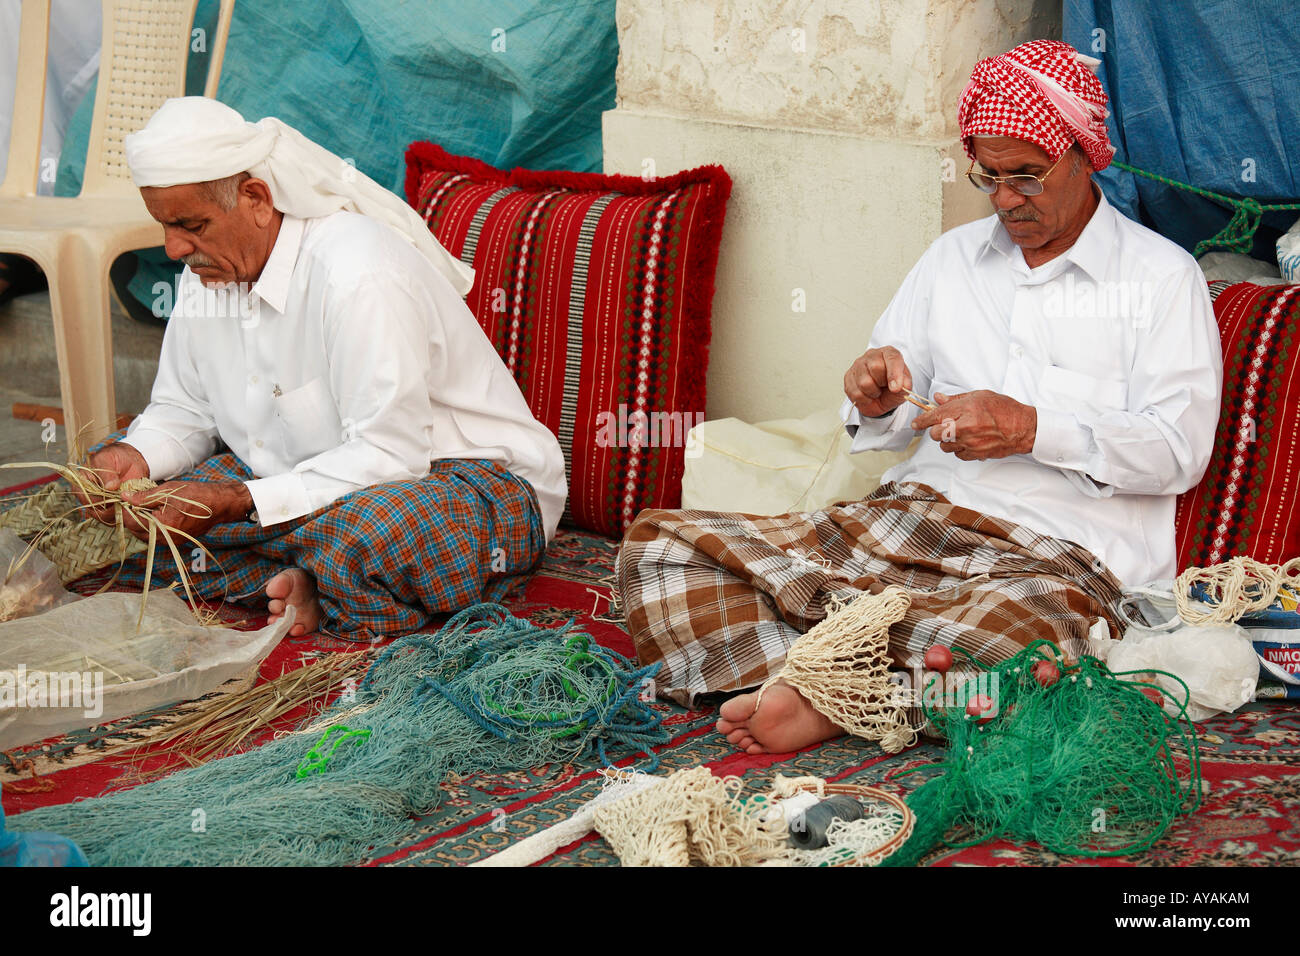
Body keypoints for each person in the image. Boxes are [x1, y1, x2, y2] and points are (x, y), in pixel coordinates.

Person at [616, 40, 1222, 755]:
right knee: (657, 552)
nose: (1003, 199)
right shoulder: (951, 260)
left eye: (1024, 177)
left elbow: (1178, 453)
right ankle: (860, 678)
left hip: (1048, 561)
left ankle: (824, 682)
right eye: (987, 176)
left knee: (1015, 659)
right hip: (908, 524)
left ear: (1083, 156)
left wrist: (1033, 429)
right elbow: (892, 417)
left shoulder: (1161, 278)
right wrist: (876, 399)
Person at [79, 97, 567, 639]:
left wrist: (241, 501)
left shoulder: (357, 273)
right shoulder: (206, 274)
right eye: (165, 226)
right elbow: (183, 410)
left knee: (364, 537)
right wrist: (137, 455)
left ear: (257, 199)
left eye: (191, 225)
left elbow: (391, 454)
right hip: (303, 475)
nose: (173, 249)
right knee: (154, 510)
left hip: (459, 479)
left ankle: (307, 571)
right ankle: (310, 582)